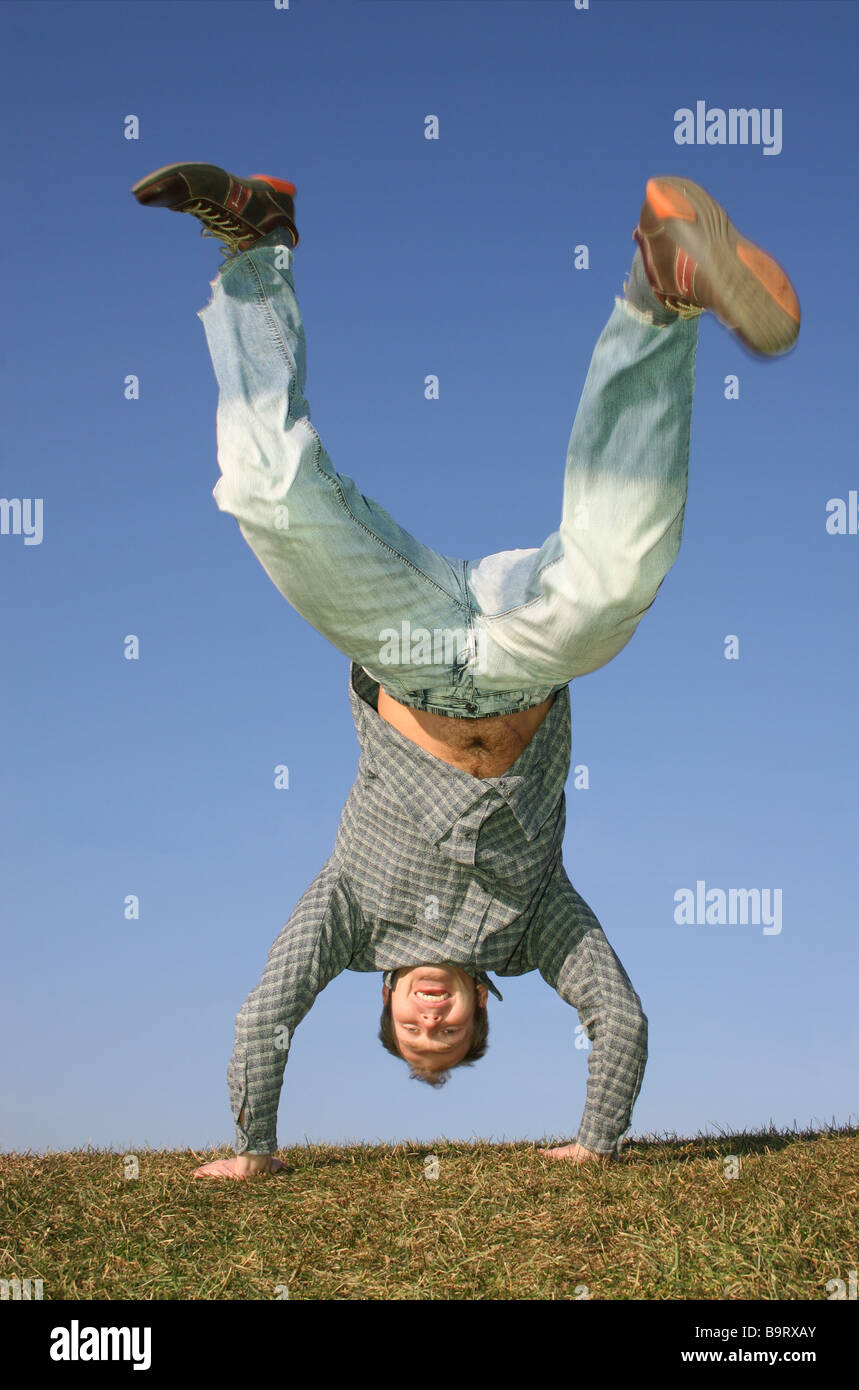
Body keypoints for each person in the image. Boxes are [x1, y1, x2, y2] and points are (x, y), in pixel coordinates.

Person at [131, 164, 800, 1179]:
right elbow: (617, 1016)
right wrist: (595, 1140)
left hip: (403, 645)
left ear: (389, 999)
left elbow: (264, 1012)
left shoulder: (347, 912)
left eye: (414, 1030)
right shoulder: (534, 926)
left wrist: (254, 1148)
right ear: (487, 997)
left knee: (264, 498)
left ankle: (258, 249)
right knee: (617, 579)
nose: (433, 1017)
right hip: (522, 647)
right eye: (451, 1031)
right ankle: (660, 291)